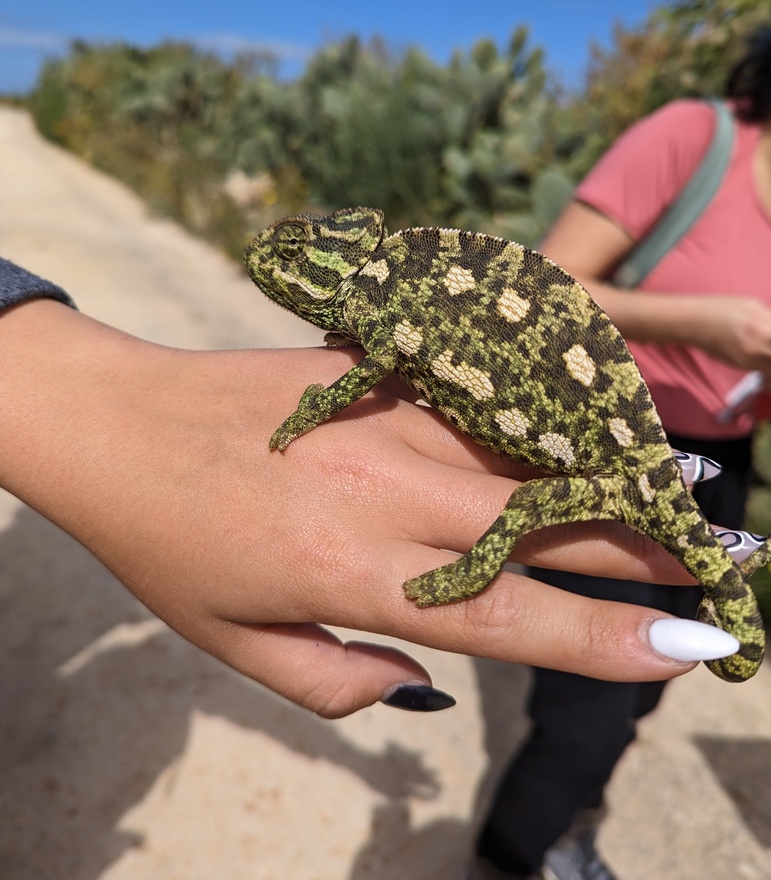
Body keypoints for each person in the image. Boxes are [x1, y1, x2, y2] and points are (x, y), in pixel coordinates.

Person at [0, 258, 739, 720]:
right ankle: (724, 578)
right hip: (600, 447)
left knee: (524, 505)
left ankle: (483, 569)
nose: (277, 270)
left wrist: (311, 411)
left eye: (296, 262)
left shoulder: (384, 299)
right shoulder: (385, 292)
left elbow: (375, 364)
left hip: (609, 460)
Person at [473, 27, 771, 880]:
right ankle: (510, 857)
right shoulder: (696, 137)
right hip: (610, 443)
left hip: (721, 468)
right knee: (589, 701)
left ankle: (569, 832)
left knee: (649, 679)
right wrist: (697, 323)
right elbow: (540, 282)